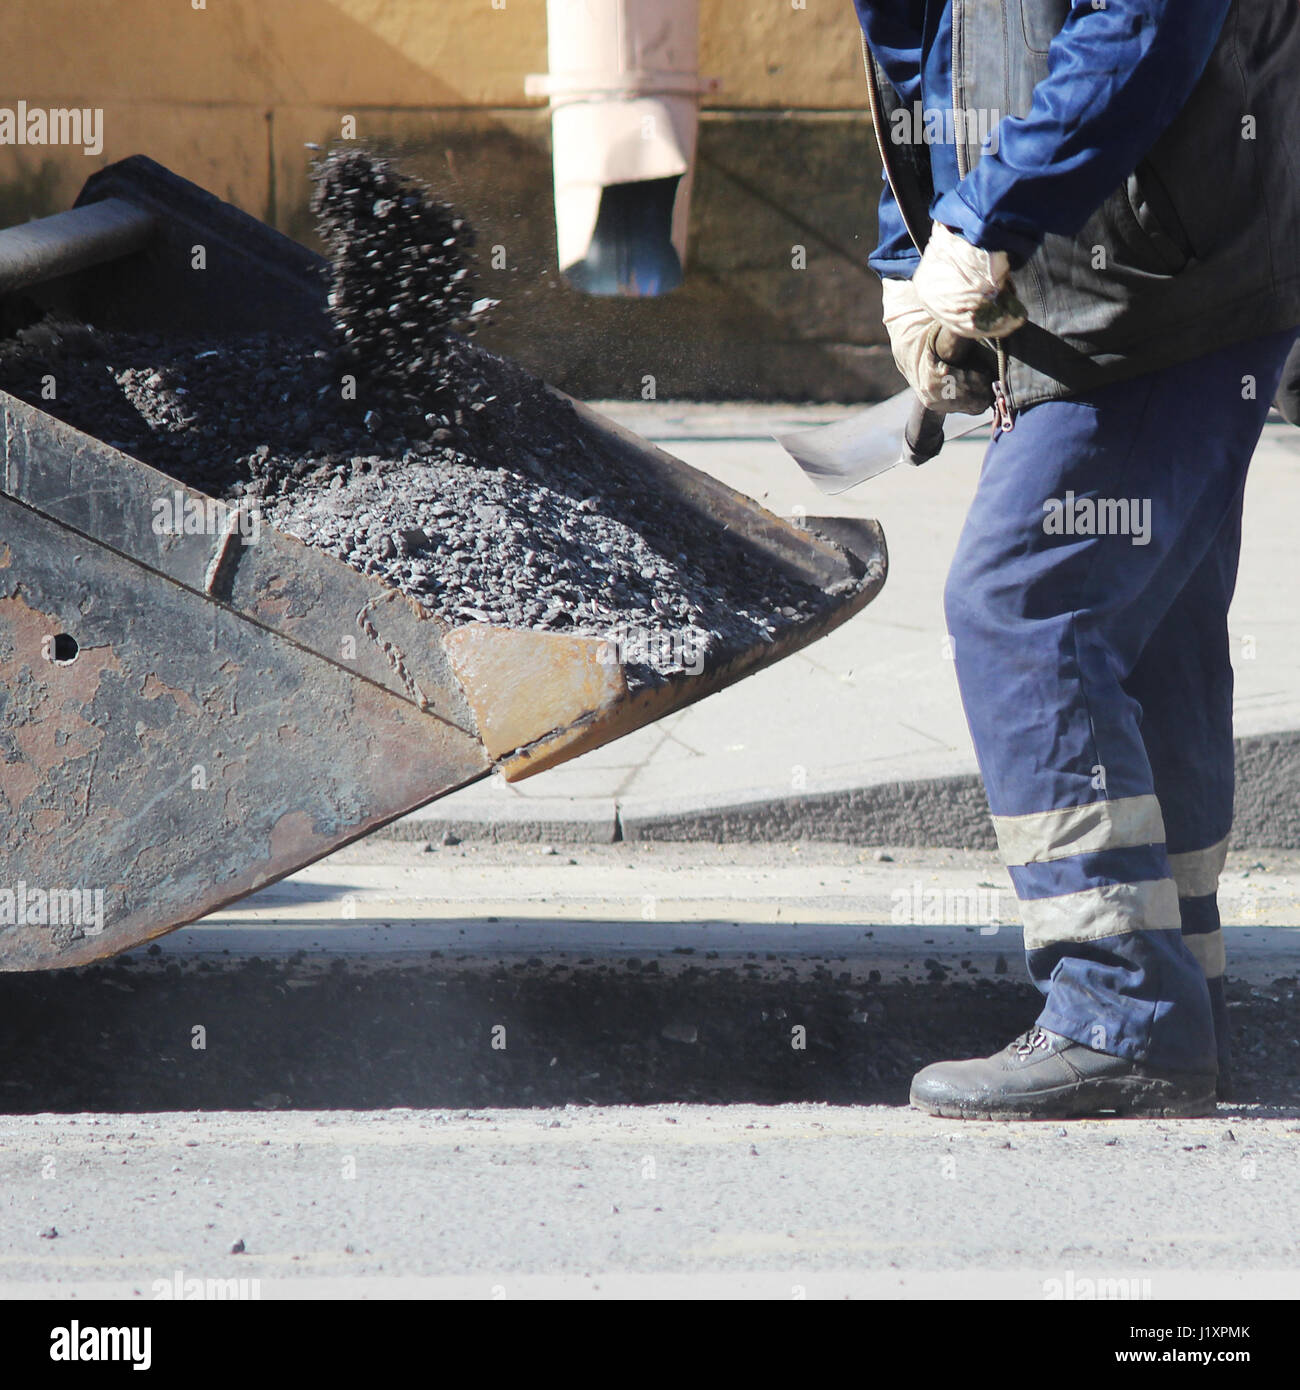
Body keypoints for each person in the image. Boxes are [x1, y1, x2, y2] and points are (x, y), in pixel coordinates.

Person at [853, 0, 1300, 1118]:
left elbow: (1147, 23)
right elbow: (916, 36)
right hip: (1108, 269)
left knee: (1025, 602)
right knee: (1144, 628)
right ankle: (1173, 986)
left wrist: (987, 215)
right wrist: (918, 245)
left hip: (1157, 281)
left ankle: (1118, 1010)